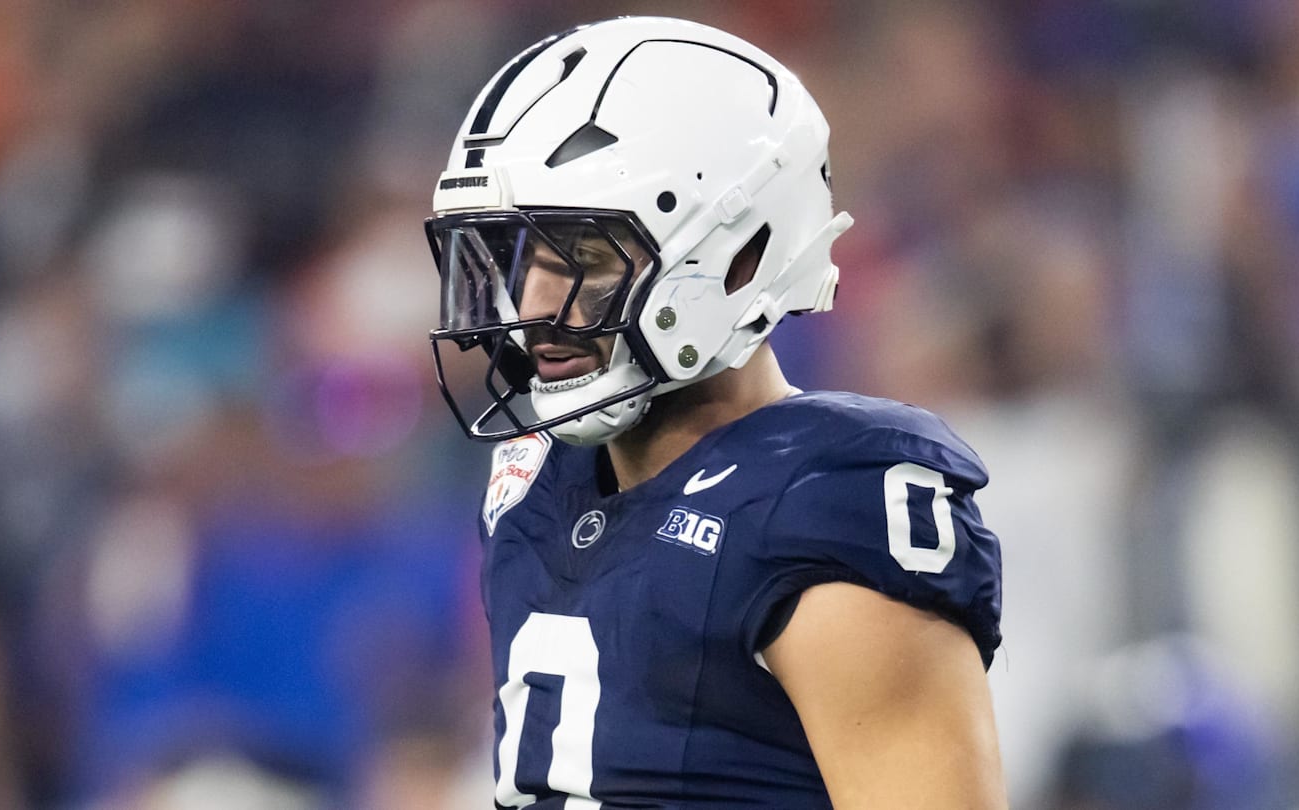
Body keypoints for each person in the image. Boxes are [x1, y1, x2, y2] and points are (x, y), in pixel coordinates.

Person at [422, 16, 1006, 809]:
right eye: (513, 259)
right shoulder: (536, 481)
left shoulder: (824, 505)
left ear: (737, 255)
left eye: (585, 259)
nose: (530, 308)